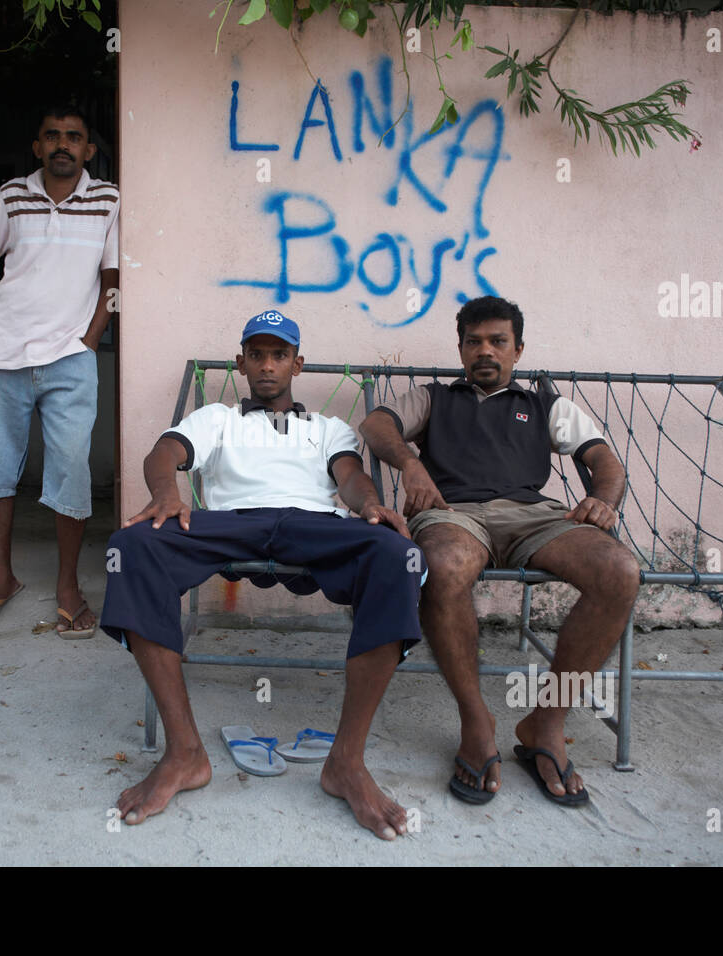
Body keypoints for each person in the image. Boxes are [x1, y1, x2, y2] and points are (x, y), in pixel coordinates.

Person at [100, 311, 422, 840]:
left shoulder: (327, 429)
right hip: (231, 525)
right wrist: (166, 493)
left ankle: (346, 763)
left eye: (279, 355)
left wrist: (370, 507)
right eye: (257, 354)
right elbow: (166, 452)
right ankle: (184, 754)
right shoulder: (217, 418)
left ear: (298, 363)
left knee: (398, 555)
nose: (267, 365)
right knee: (131, 547)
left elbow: (351, 477)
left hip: (312, 524)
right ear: (241, 362)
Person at [360, 296, 638, 807]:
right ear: (461, 348)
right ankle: (476, 721)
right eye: (474, 342)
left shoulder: (545, 406)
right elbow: (376, 426)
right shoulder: (434, 398)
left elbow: (604, 460)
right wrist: (411, 464)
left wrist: (603, 498)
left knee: (618, 570)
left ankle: (545, 724)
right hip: (454, 512)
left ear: (518, 349)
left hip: (534, 514)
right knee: (442, 565)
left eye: (497, 342)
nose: (484, 351)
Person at [0, 104, 119, 637]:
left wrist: (91, 337)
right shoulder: (12, 196)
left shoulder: (108, 201)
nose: (63, 144)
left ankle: (68, 586)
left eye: (74, 137)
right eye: (52, 136)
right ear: (37, 146)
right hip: (1, 353)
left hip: (70, 356)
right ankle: (2, 577)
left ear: (89, 150)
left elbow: (113, 276)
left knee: (71, 469)